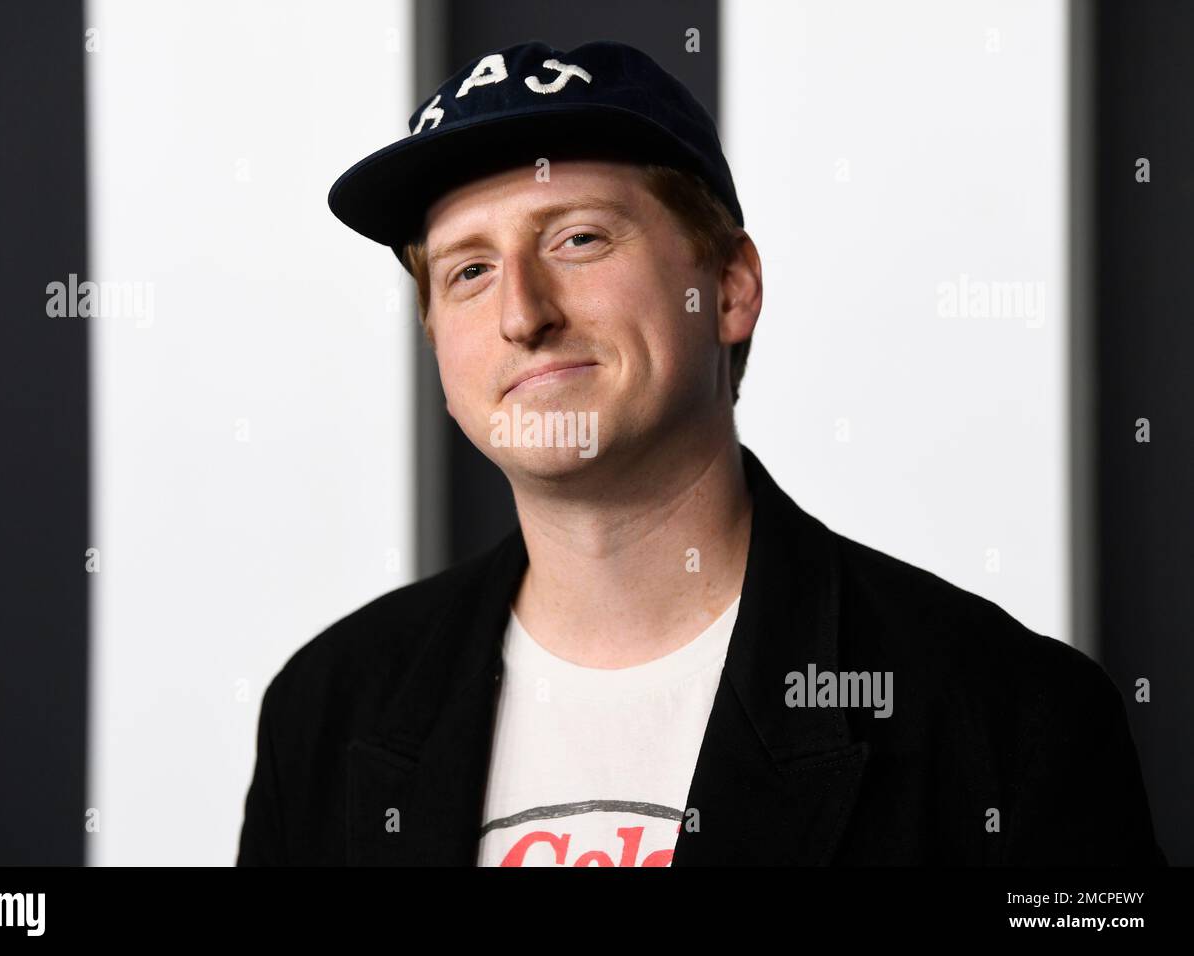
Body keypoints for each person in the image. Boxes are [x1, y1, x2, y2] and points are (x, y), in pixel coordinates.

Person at [236, 39, 1164, 866]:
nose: (523, 313)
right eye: (469, 271)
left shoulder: (1007, 717)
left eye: (579, 238)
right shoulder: (326, 712)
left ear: (729, 289)